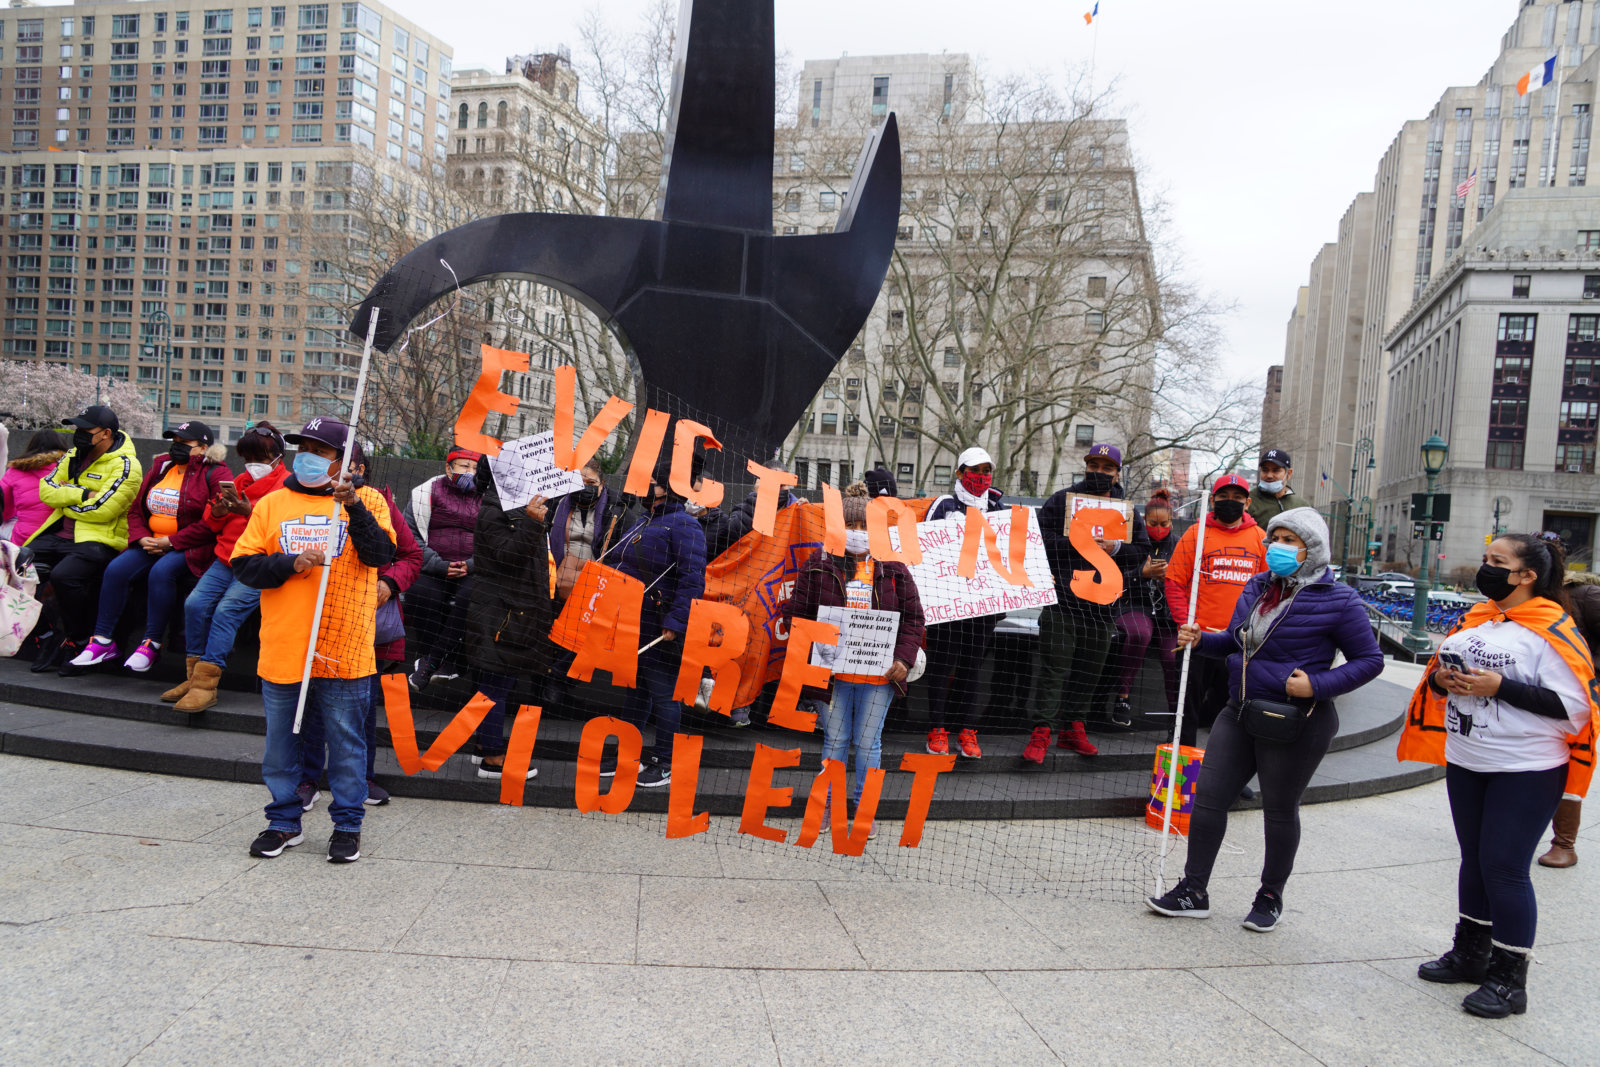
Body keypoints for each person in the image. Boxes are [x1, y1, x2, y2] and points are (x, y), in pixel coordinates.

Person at [1149, 508, 1383, 932]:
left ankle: (1270, 895)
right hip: (1237, 710)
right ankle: (1193, 890)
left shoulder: (1340, 599)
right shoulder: (1258, 585)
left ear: (1312, 549)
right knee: (1208, 800)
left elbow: (1370, 660)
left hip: (1296, 720)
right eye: (1274, 536)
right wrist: (1202, 640)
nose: (1277, 545)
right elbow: (1236, 641)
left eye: (1289, 539)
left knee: (1278, 811)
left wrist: (1317, 684)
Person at [1401, 533, 1598, 1018]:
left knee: (1505, 869)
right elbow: (1438, 678)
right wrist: (1442, 679)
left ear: (1527, 575)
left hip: (1526, 768)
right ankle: (1471, 954)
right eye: (1485, 559)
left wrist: (1500, 686)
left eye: (1497, 562)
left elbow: (1574, 709)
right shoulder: (1478, 619)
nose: (1484, 568)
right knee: (1474, 859)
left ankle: (1510, 979)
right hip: (1468, 759)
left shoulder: (1551, 628)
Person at [232, 417, 396, 863]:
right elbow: (244, 565)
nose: (307, 456)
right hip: (286, 644)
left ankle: (347, 825)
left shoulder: (371, 502)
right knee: (280, 745)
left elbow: (382, 555)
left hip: (344, 647)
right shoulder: (271, 504)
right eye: (302, 447)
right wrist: (289, 564)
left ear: (342, 461)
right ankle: (283, 822)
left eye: (319, 450)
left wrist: (354, 509)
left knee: (346, 745)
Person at [786, 492, 926, 835]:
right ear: (838, 527)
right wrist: (818, 639)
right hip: (832, 674)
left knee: (868, 744)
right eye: (851, 524)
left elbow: (913, 620)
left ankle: (864, 814)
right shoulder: (817, 565)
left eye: (864, 525)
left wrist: (903, 660)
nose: (858, 531)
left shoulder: (894, 570)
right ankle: (828, 809)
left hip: (879, 676)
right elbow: (795, 617)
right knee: (834, 742)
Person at [298, 443, 425, 805]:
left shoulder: (377, 501)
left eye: (357, 465)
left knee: (363, 707)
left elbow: (410, 555)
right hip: (314, 621)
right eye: (342, 463)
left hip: (367, 624)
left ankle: (362, 778)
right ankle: (307, 780)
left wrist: (389, 583)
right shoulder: (300, 500)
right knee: (310, 708)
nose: (350, 471)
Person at [66, 421, 229, 674]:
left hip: (189, 547)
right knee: (116, 570)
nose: (176, 447)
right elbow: (135, 510)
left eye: (184, 443)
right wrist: (143, 538)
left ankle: (151, 644)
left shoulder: (216, 473)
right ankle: (102, 641)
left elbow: (213, 523)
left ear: (203, 447)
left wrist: (172, 542)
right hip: (150, 541)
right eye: (174, 442)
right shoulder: (161, 466)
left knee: (161, 573)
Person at [1028, 443, 1151, 762]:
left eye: (1107, 468)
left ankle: (1072, 730)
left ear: (1117, 473)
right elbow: (1039, 540)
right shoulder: (1062, 501)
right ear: (1086, 467)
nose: (1099, 472)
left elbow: (1142, 551)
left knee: (1088, 672)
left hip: (1103, 606)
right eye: (1094, 465)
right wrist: (1078, 543)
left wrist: (1114, 549)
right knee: (1054, 670)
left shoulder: (1127, 510)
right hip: (1062, 603)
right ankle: (1042, 731)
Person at [165, 422, 290, 712]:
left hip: (260, 564)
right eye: (247, 459)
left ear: (277, 458)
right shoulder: (240, 481)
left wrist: (250, 512)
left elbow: (285, 532)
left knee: (226, 611)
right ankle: (194, 677)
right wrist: (219, 511)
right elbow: (211, 521)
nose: (252, 465)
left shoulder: (287, 487)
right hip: (226, 559)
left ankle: (206, 685)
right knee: (194, 604)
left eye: (259, 459)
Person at [24, 406, 143, 672]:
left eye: (85, 430)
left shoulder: (126, 465)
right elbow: (46, 489)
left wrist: (66, 495)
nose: (77, 434)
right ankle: (46, 635)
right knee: (12, 564)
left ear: (106, 434)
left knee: (65, 576)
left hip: (99, 539)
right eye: (76, 428)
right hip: (57, 533)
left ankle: (77, 640)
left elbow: (104, 510)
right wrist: (83, 494)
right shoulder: (73, 454)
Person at [613, 454, 708, 787]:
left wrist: (675, 622)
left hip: (660, 625)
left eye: (652, 482)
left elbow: (693, 579)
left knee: (664, 692)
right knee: (636, 690)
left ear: (666, 487)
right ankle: (629, 754)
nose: (646, 487)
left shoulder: (685, 524)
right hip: (633, 621)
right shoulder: (645, 520)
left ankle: (666, 761)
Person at [461, 452, 555, 781]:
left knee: (495, 681)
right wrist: (531, 522)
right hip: (501, 612)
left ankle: (483, 745)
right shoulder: (494, 511)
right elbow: (507, 556)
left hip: (510, 609)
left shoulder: (509, 507)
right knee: (496, 684)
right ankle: (493, 757)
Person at [1164, 475, 1268, 749]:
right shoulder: (1195, 534)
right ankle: (1179, 776)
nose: (1229, 502)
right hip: (1197, 639)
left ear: (1247, 502)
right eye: (1223, 496)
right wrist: (1184, 624)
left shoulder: (1260, 538)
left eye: (1237, 497)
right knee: (1185, 715)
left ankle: (1225, 775)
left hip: (1239, 643)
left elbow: (1268, 591)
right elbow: (1174, 582)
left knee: (1233, 714)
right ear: (1212, 500)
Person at [923, 446, 1004, 759]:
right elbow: (925, 551)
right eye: (974, 470)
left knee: (972, 670)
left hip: (981, 607)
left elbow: (1008, 555)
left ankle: (967, 732)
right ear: (959, 473)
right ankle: (937, 730)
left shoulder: (997, 508)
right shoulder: (943, 505)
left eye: (986, 471)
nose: (981, 477)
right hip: (946, 605)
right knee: (941, 668)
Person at [404, 447, 484, 690]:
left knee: (471, 598)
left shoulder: (491, 496)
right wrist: (438, 565)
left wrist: (470, 565)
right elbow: (411, 536)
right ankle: (442, 661)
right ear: (448, 468)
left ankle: (432, 662)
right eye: (463, 466)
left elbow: (495, 540)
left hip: (474, 571)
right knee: (420, 594)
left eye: (475, 468)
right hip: (432, 567)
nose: (470, 472)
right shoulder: (424, 493)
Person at [1543, 558, 1600, 867]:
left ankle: (1565, 842)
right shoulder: (1524, 598)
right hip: (1534, 691)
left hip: (1578, 693)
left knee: (1574, 764)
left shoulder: (1585, 596)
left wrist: (1592, 676)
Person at [1109, 491, 1181, 724]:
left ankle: (1175, 715)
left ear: (1172, 521)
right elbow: (1114, 579)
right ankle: (1123, 697)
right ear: (1143, 519)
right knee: (1139, 634)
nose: (1158, 528)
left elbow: (1187, 580)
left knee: (1173, 657)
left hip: (1168, 613)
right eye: (1152, 523)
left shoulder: (1180, 545)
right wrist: (1142, 574)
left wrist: (1171, 578)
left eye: (1164, 524)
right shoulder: (1132, 542)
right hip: (1134, 604)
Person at [550, 460, 628, 592]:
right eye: (579, 483)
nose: (585, 487)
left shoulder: (617, 512)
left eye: (591, 483)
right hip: (557, 581)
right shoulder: (555, 504)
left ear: (601, 484)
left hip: (597, 586)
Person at [2, 429, 70, 546]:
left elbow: (3, 510)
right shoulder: (72, 468)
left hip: (24, 539)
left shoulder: (15, 470)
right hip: (60, 539)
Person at [1247, 449, 1306, 526]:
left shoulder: (1301, 505)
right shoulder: (1248, 501)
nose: (1269, 475)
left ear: (1289, 473)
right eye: (1265, 470)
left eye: (1276, 470)